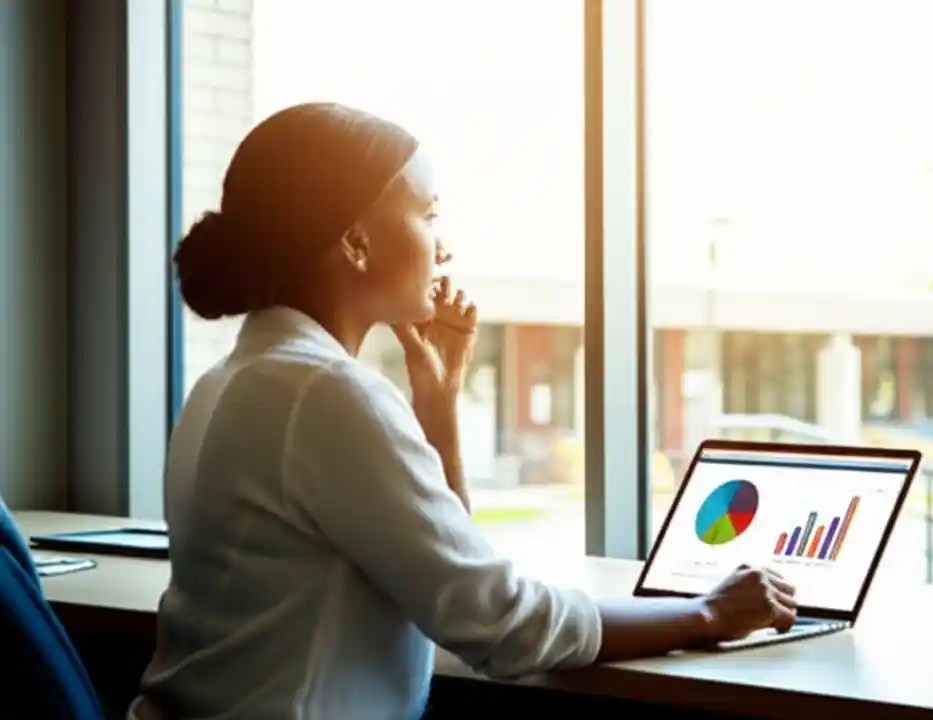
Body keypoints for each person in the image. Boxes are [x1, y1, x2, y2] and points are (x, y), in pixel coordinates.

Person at [129, 102, 797, 720]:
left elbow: (445, 574)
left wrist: (437, 407)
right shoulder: (326, 393)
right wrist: (705, 613)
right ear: (356, 243)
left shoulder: (232, 379)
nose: (442, 248)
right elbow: (503, 625)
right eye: (428, 214)